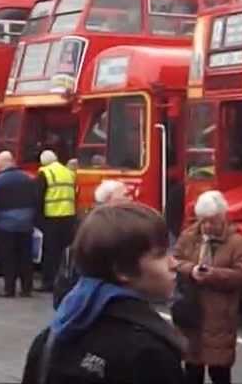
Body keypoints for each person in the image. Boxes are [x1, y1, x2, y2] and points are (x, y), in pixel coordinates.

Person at [21, 201, 185, 384]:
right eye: (160, 254)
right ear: (123, 270)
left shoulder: (51, 337)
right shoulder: (147, 352)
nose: (174, 263)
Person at [173, 191, 242, 384]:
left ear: (222, 217)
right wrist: (191, 270)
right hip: (192, 311)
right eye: (204, 221)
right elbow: (174, 261)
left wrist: (213, 274)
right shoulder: (189, 236)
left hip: (220, 315)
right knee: (192, 370)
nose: (207, 226)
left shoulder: (237, 242)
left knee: (220, 372)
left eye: (212, 221)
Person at [51, 179, 131, 307]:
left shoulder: (100, 218)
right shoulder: (99, 224)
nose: (130, 198)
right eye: (125, 195)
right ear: (109, 199)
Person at [0, 150, 38, 298]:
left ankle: (9, 289)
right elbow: (36, 199)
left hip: (5, 224)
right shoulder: (28, 178)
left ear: (2, 163)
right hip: (26, 223)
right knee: (25, 257)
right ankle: (27, 288)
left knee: (8, 257)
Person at [36, 149, 77, 292]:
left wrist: (38, 220)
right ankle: (68, 281)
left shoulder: (45, 173)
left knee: (50, 253)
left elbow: (38, 198)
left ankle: (48, 282)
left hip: (52, 218)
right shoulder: (68, 173)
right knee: (66, 253)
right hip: (69, 217)